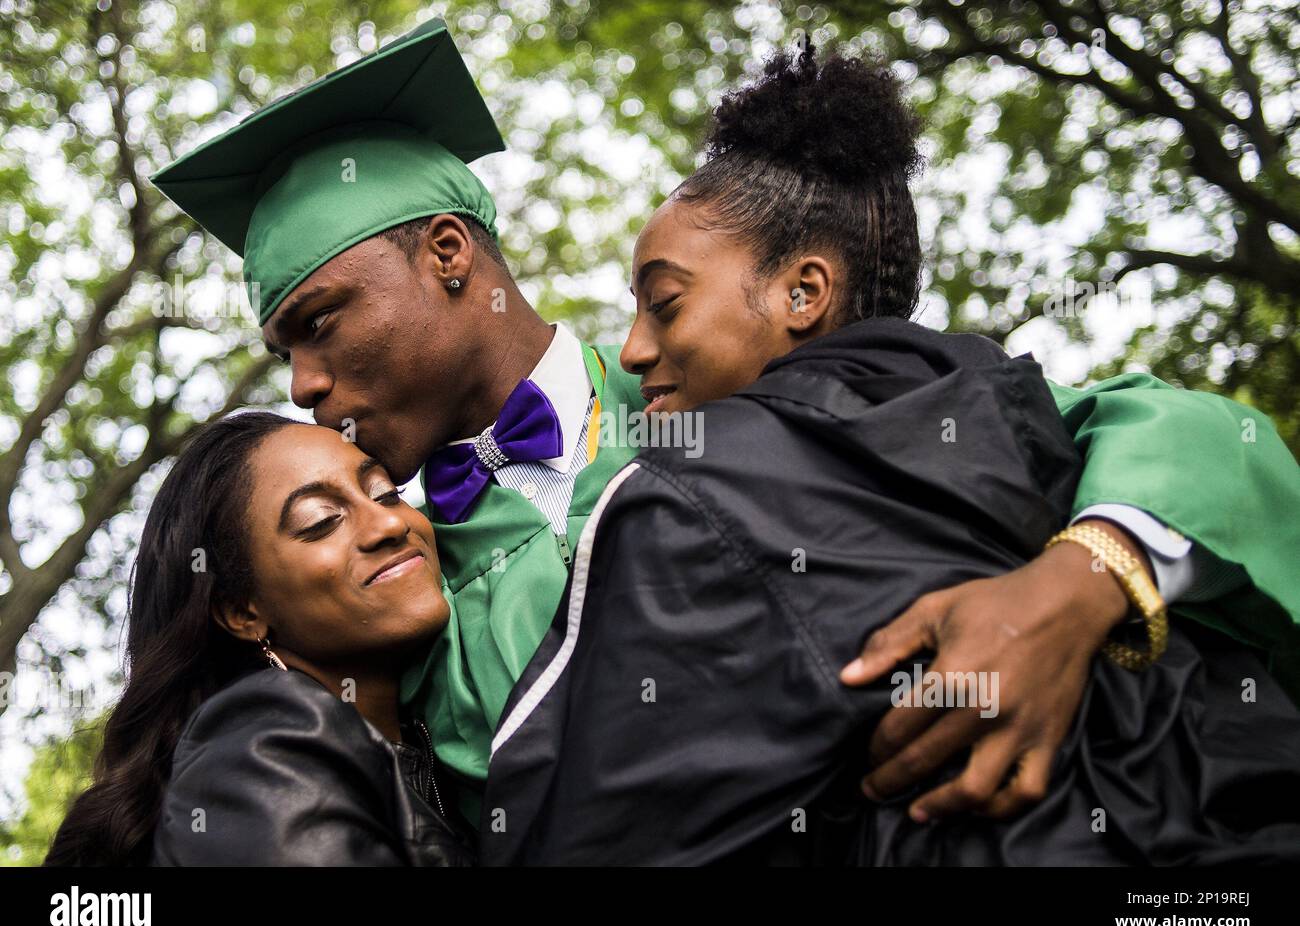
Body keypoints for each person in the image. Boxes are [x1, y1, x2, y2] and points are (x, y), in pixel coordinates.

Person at [148, 19, 1300, 829]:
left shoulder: (735, 378)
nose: (299, 382)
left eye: (319, 319)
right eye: (282, 351)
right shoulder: (399, 602)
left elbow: (1168, 430)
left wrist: (1078, 584)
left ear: (449, 258)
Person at [479, 45, 1300, 865]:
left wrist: (1081, 579)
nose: (629, 351)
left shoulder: (695, 489)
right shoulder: (997, 410)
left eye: (664, 304)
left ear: (804, 293)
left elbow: (1202, 438)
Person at [45, 413, 474, 866]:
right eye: (321, 521)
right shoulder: (266, 746)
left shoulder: (444, 745)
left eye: (385, 493)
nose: (387, 524)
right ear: (242, 611)